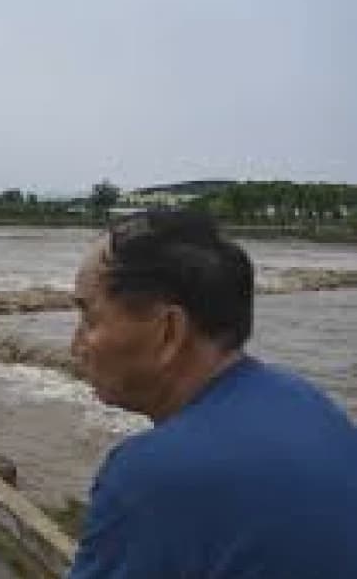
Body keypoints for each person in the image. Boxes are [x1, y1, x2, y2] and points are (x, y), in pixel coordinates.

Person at [68, 210, 357, 578]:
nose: (76, 345)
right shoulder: (308, 402)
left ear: (168, 332)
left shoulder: (151, 478)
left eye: (89, 318)